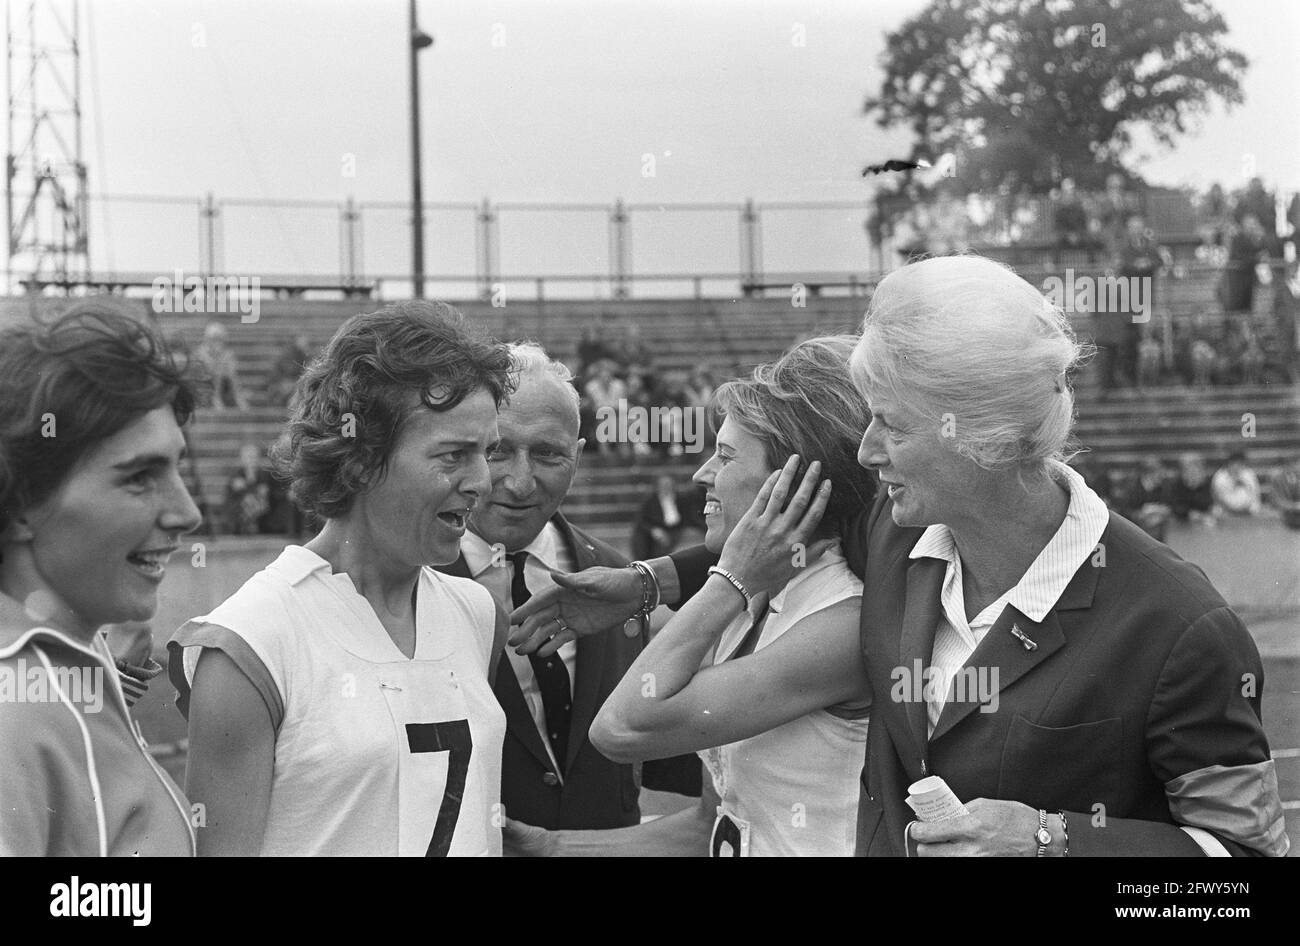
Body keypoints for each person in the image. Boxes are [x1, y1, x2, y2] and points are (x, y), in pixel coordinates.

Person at [519, 256, 1289, 858]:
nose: (866, 450)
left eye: (891, 425)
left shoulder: (1179, 627)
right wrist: (650, 579)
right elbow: (787, 524)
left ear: (979, 437)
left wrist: (1052, 839)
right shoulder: (895, 533)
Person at [168, 301, 514, 856]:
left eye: (486, 452)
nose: (481, 481)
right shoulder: (252, 642)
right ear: (358, 461)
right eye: (453, 455)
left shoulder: (475, 611)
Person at [508, 336, 876, 857]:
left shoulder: (842, 623)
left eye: (724, 457)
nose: (702, 474)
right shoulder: (752, 605)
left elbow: (621, 728)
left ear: (789, 485)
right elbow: (713, 823)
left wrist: (729, 577)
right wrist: (548, 847)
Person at [436, 342, 687, 830]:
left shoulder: (619, 575)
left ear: (578, 457)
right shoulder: (410, 583)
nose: (521, 482)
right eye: (498, 451)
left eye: (548, 454)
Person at [0, 305, 201, 855]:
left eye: (177, 468)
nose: (188, 514)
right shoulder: (12, 707)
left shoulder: (71, 659)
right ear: (21, 503)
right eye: (140, 477)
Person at [630, 473, 705, 560]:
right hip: (660, 528)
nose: (666, 487)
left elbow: (690, 516)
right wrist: (654, 530)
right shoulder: (650, 501)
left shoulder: (681, 498)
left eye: (668, 484)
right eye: (663, 485)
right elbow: (642, 520)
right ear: (658, 486)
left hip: (678, 528)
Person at [193, 321, 248, 411]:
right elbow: (200, 372)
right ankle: (217, 398)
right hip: (205, 384)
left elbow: (232, 370)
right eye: (214, 339)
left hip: (224, 384)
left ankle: (238, 397)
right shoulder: (200, 352)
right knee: (218, 373)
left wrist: (222, 367)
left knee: (228, 374)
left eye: (219, 338)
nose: (217, 341)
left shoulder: (228, 353)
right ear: (208, 339)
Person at [266, 334, 313, 408]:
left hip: (295, 381)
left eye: (305, 342)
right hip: (286, 381)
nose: (304, 344)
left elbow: (308, 369)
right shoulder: (289, 354)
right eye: (302, 341)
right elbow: (289, 370)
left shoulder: (304, 355)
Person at [1211, 451, 1262, 517]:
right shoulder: (1220, 476)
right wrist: (1232, 483)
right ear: (1229, 464)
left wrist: (1243, 483)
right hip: (1225, 509)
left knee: (1256, 508)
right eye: (1234, 464)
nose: (1236, 466)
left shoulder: (1249, 473)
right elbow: (1216, 496)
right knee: (1216, 511)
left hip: (1247, 509)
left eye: (1239, 464)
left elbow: (1255, 493)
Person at [1170, 453, 1215, 524]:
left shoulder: (1207, 483)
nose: (1193, 471)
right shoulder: (1176, 485)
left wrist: (1213, 510)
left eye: (1197, 468)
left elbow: (1209, 503)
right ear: (1183, 471)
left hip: (1205, 521)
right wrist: (1190, 513)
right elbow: (1176, 507)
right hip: (1181, 523)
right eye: (1188, 469)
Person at [1271, 455, 1300, 529]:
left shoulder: (1297, 479)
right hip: (1286, 514)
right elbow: (1277, 500)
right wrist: (1294, 506)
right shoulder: (1278, 480)